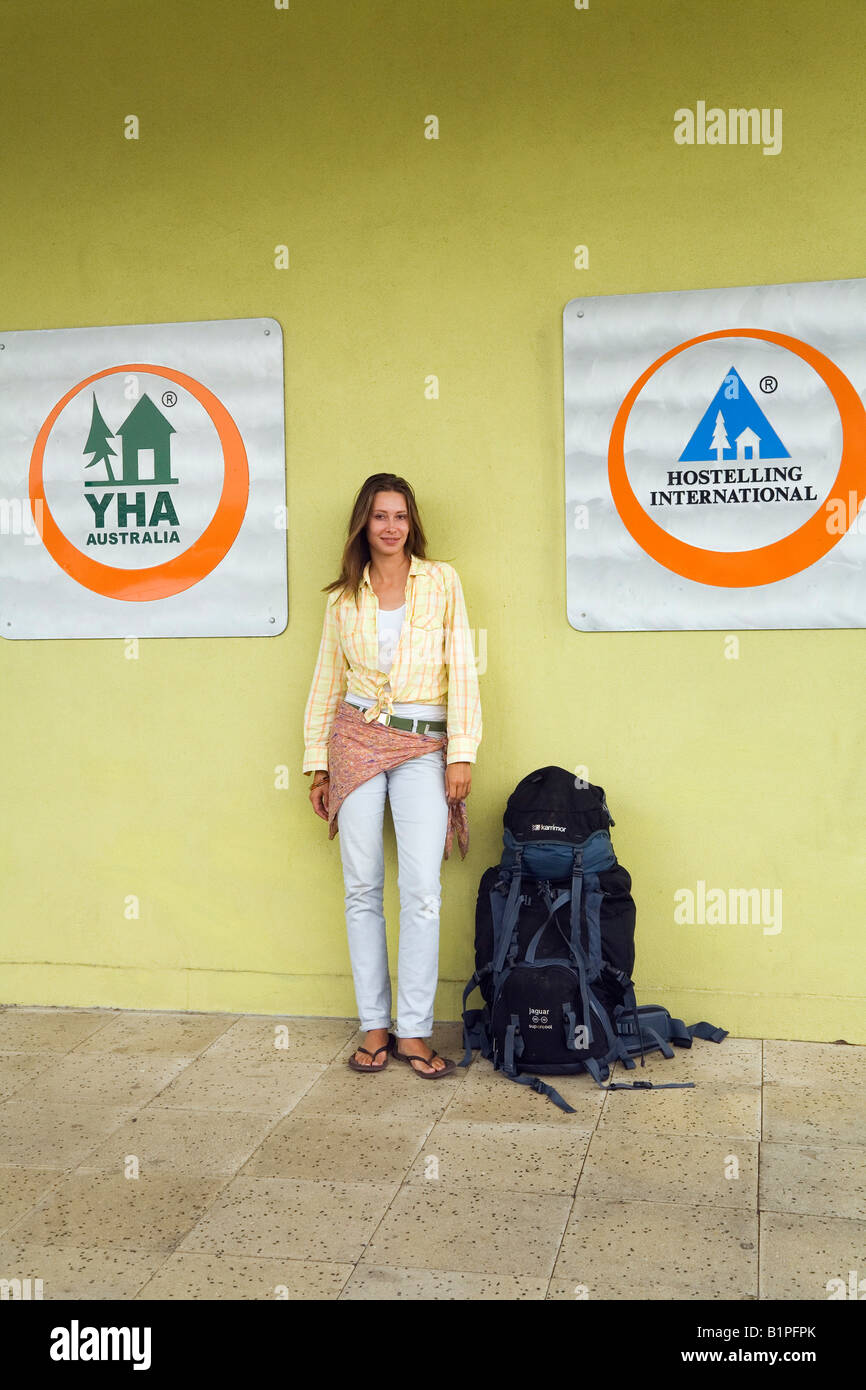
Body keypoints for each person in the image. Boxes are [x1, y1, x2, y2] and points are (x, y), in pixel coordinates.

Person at [303, 474, 482, 1077]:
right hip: (354, 741)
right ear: (364, 523)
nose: (390, 526)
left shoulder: (441, 582)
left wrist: (462, 751)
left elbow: (463, 667)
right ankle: (374, 1026)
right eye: (380, 516)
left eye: (400, 516)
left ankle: (413, 1032)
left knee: (422, 891)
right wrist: (317, 763)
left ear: (412, 523)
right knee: (361, 886)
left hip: (422, 745)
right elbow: (327, 681)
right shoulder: (341, 598)